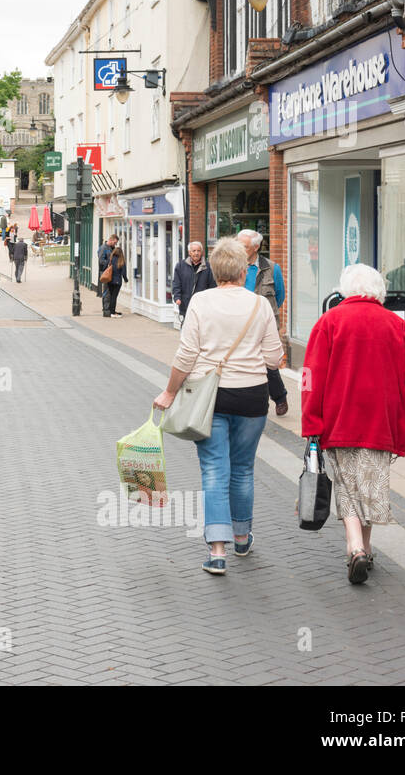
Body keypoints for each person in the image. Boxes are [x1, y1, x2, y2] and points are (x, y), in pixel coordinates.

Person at [152, 238, 283, 575]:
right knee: (243, 469)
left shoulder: (200, 302)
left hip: (209, 398)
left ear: (212, 268)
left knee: (214, 471)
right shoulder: (260, 305)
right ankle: (242, 537)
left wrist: (169, 393)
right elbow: (273, 358)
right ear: (243, 270)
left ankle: (218, 550)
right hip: (252, 396)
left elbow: (186, 356)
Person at [301, 263, 405, 585]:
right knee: (370, 485)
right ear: (379, 292)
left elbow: (310, 377)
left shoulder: (329, 322)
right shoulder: (397, 327)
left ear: (345, 290)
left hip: (338, 419)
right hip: (381, 421)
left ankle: (356, 547)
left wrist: (311, 420)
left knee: (347, 484)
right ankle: (364, 547)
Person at [236, 229, 290, 417]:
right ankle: (254, 401)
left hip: (265, 324)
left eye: (243, 246)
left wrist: (266, 315)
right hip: (239, 323)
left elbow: (280, 296)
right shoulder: (234, 266)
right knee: (245, 363)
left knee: (268, 364)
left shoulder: (271, 267)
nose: (239, 249)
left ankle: (280, 396)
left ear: (256, 247)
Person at [173, 241, 215, 324]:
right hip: (186, 305)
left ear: (202, 252)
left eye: (198, 251)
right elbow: (176, 284)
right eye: (194, 251)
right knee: (187, 330)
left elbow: (212, 286)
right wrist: (177, 297)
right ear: (189, 252)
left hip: (203, 306)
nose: (196, 253)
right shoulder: (180, 266)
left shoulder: (208, 267)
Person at [102, 245, 126, 317]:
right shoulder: (121, 261)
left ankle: (111, 311)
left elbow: (104, 267)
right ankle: (112, 313)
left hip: (110, 281)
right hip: (117, 282)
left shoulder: (110, 259)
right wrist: (126, 279)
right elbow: (124, 273)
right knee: (114, 297)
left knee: (111, 296)